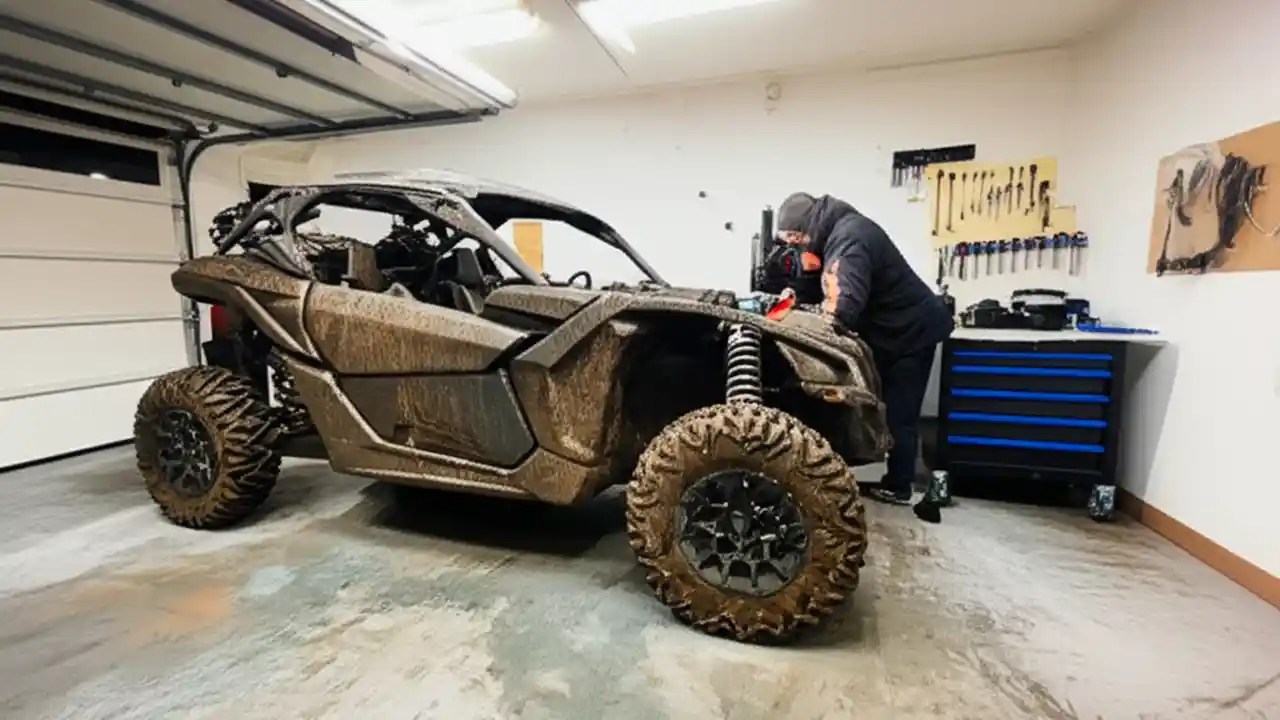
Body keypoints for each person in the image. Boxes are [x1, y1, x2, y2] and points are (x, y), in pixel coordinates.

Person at [775, 192, 954, 505]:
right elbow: (817, 275)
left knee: (899, 409)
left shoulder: (850, 239)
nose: (794, 245)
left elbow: (844, 304)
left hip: (911, 331)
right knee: (880, 402)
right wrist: (794, 293)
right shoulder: (831, 233)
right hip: (889, 330)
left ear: (807, 229)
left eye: (794, 238)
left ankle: (899, 486)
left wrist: (820, 318)